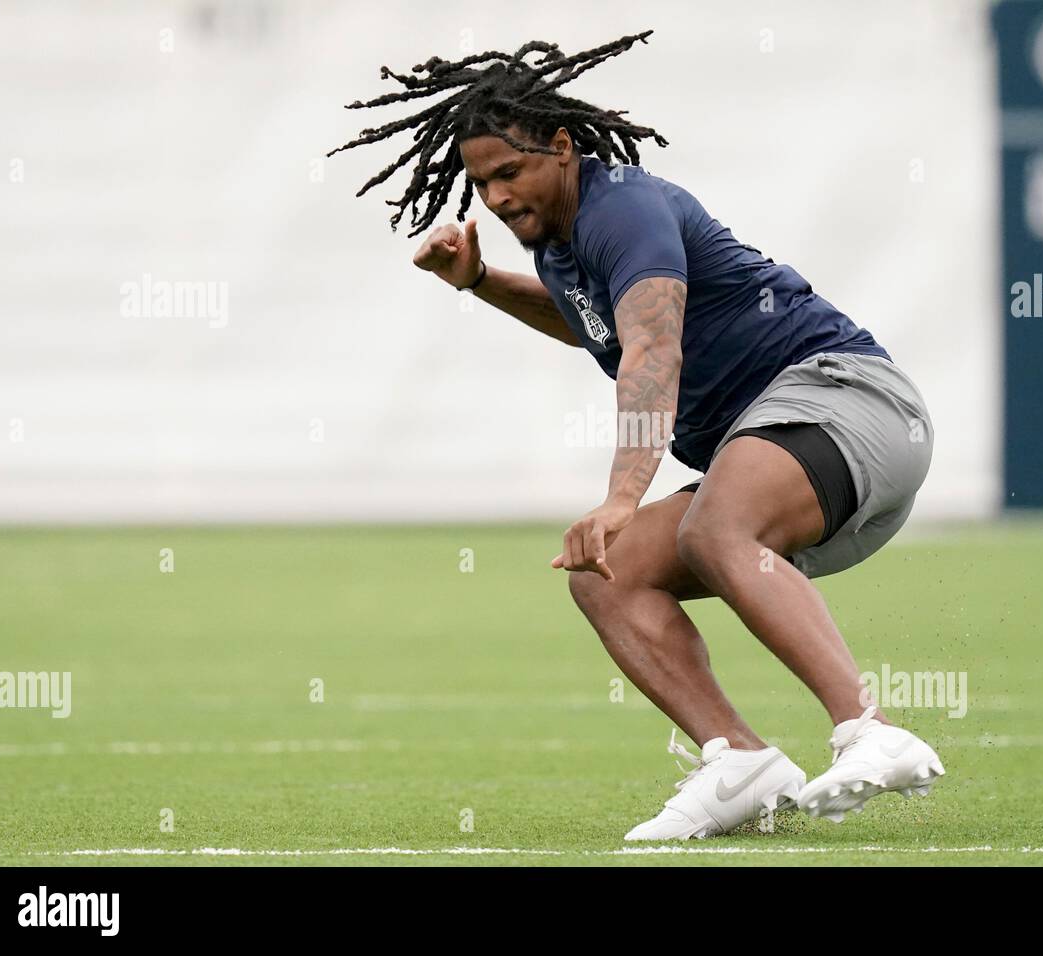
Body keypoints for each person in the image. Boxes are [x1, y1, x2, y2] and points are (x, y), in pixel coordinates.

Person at [331, 30, 945, 840]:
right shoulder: (559, 242)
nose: (497, 196)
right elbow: (603, 330)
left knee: (713, 527)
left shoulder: (622, 207)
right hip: (784, 443)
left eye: (509, 171)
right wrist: (478, 281)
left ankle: (870, 730)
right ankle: (740, 764)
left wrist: (623, 497)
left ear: (561, 145)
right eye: (480, 182)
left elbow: (653, 349)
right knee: (605, 576)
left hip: (849, 401)